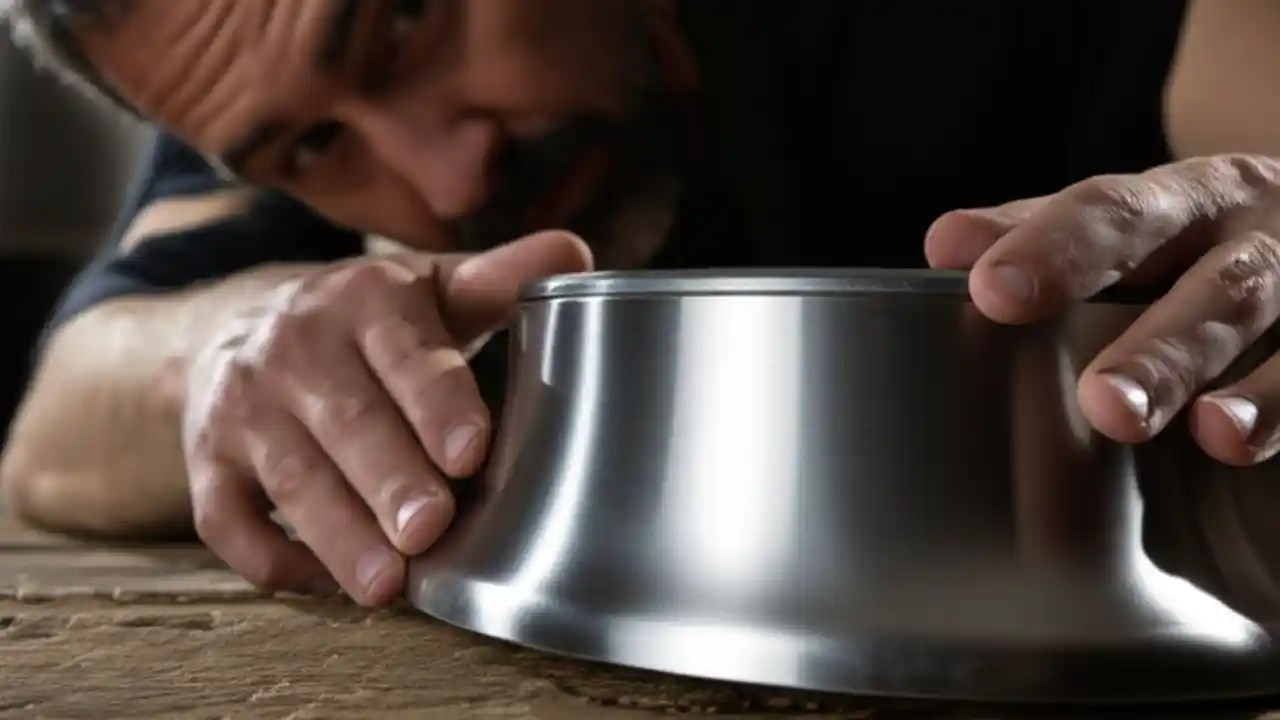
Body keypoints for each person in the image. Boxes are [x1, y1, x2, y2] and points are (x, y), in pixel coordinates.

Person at [2, 0, 1279, 611]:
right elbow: (56, 429)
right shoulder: (256, 68)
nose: (442, 178)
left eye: (399, 25)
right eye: (309, 153)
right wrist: (242, 342)